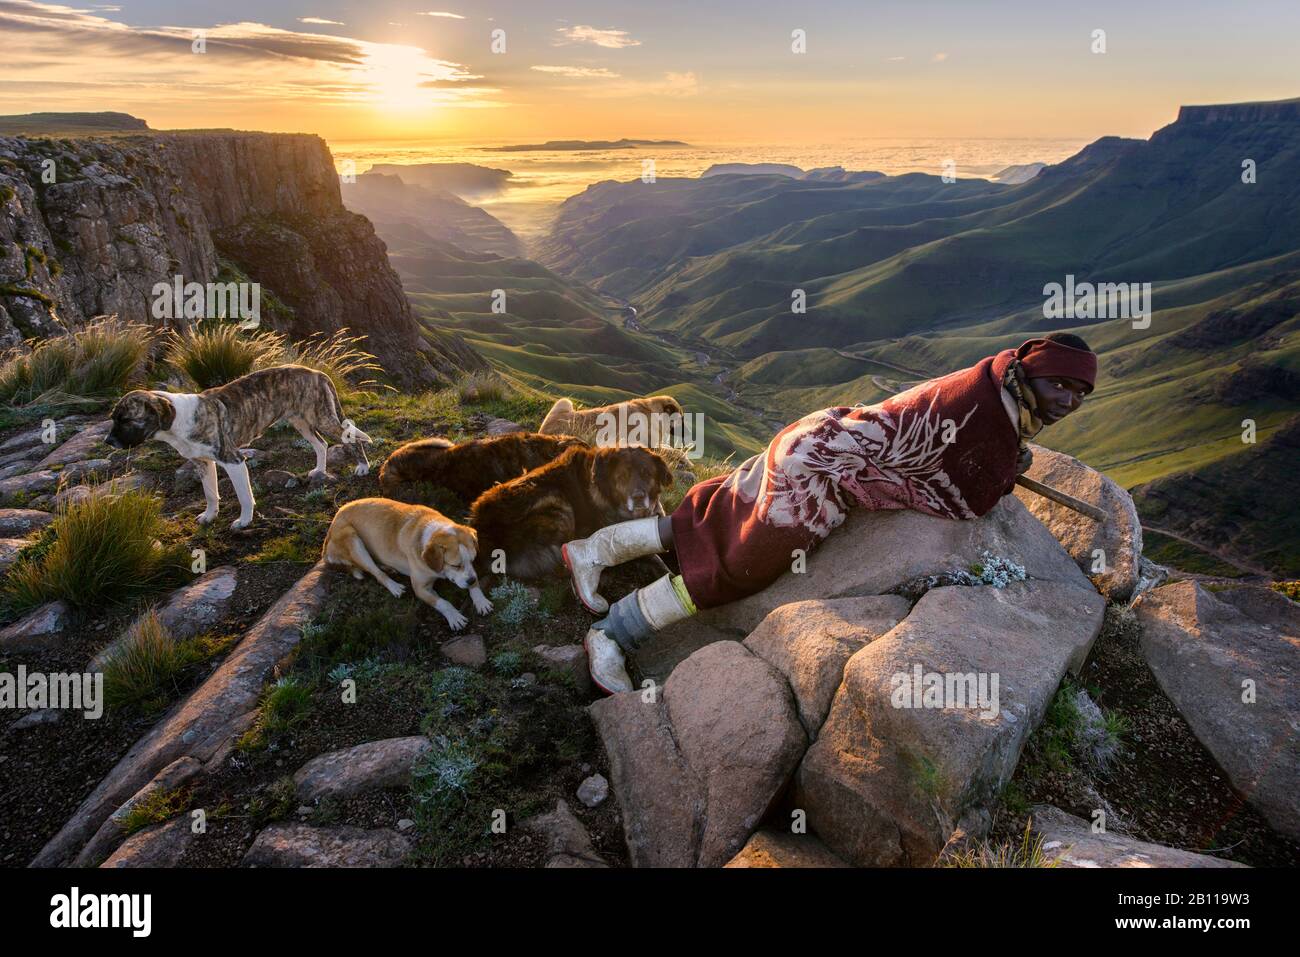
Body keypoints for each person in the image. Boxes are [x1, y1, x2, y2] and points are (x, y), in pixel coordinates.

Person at [562, 333, 1098, 694]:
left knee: (723, 511)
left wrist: (1008, 458)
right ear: (1030, 374)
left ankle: (594, 549)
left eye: (1080, 393)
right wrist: (1006, 472)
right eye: (1059, 385)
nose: (1069, 401)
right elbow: (970, 500)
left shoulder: (992, 378)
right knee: (741, 566)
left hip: (818, 436)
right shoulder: (990, 414)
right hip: (819, 471)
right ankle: (613, 632)